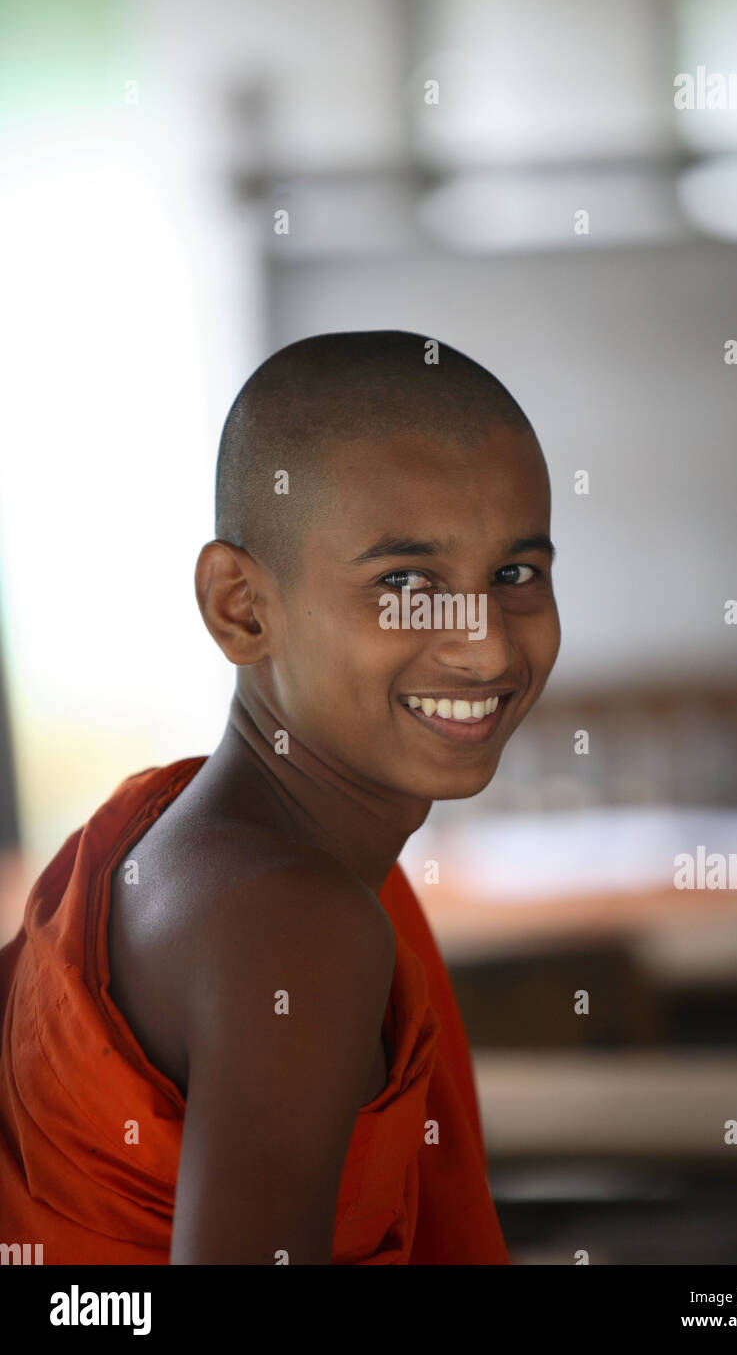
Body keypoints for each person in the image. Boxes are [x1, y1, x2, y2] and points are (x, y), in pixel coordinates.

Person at [0, 330, 560, 1264]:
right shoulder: (299, 925)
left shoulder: (186, 850)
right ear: (242, 608)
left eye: (515, 575)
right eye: (406, 584)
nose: (487, 646)